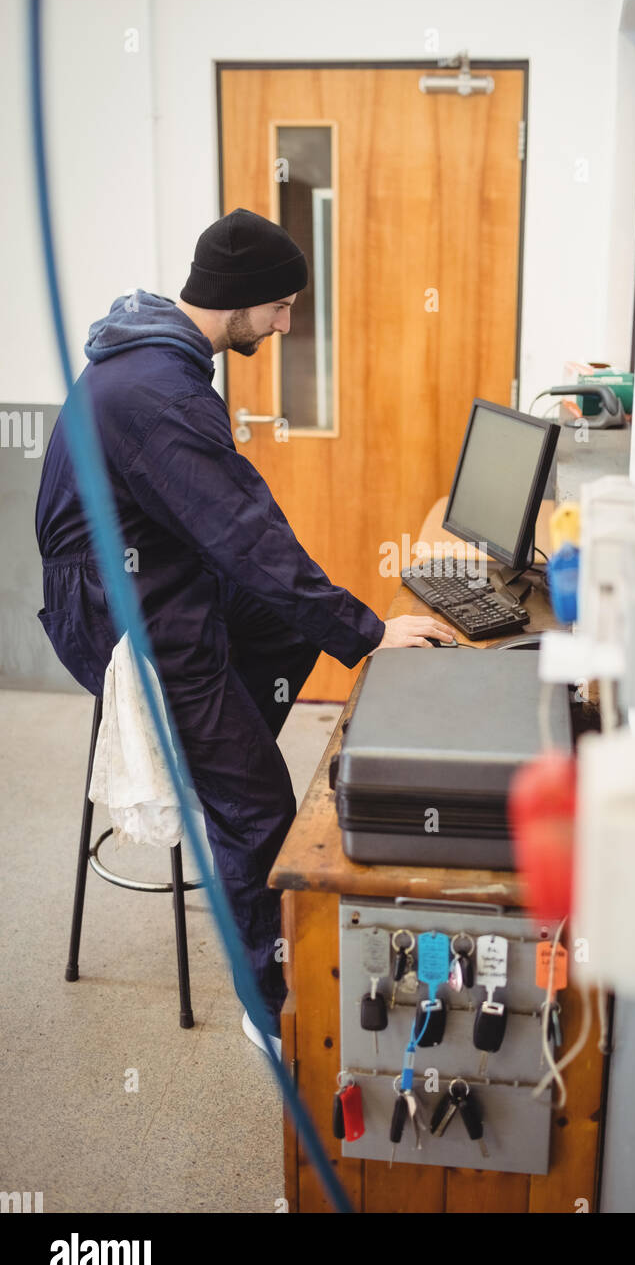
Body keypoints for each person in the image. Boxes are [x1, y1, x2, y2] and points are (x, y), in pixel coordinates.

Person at [35, 208, 452, 1050]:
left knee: (286, 624)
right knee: (262, 803)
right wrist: (368, 634)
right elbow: (242, 535)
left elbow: (240, 529)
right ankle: (270, 1009)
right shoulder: (160, 394)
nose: (288, 323)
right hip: (116, 607)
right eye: (283, 306)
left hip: (153, 567)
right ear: (240, 301)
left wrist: (337, 623)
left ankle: (212, 766)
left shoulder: (161, 354)